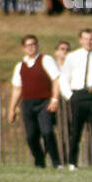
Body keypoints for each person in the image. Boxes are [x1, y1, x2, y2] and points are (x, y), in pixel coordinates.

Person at [60, 27, 92, 170]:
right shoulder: (72, 57)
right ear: (80, 40)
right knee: (76, 131)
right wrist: (69, 96)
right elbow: (64, 77)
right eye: (85, 39)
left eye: (91, 39)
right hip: (78, 95)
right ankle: (72, 163)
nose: (88, 42)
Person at [8, 35, 63, 168]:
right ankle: (39, 162)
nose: (31, 47)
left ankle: (56, 163)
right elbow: (17, 89)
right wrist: (11, 109)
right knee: (31, 137)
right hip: (27, 104)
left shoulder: (46, 60)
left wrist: (55, 99)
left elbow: (56, 80)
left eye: (34, 44)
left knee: (47, 132)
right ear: (23, 48)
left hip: (44, 102)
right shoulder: (20, 66)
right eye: (28, 45)